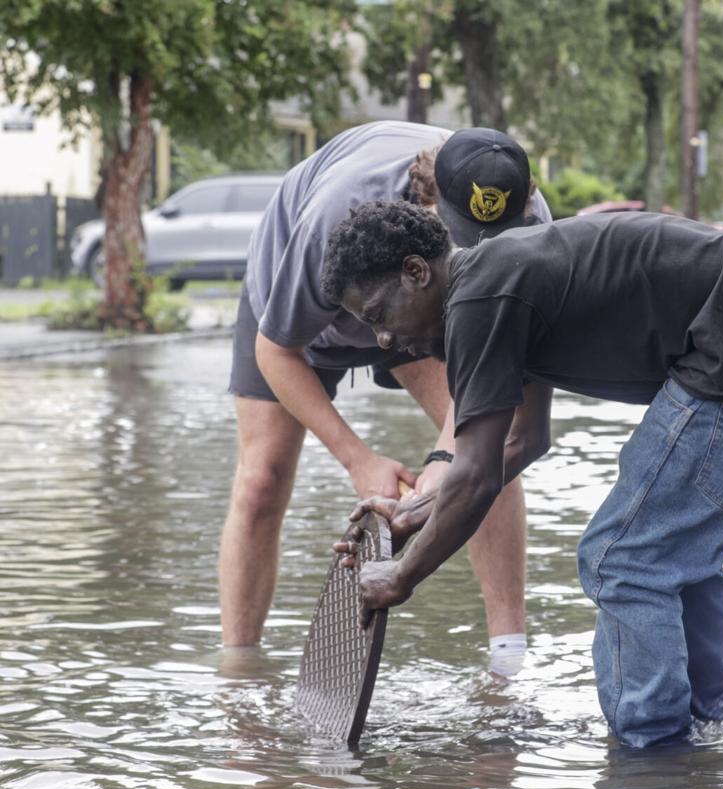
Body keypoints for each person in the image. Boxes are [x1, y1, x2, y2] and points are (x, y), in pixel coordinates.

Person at [322, 201, 723, 748]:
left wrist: (400, 578)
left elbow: (474, 479)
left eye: (379, 315)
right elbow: (524, 439)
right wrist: (416, 513)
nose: (381, 341)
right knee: (670, 556)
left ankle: (652, 756)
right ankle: (715, 732)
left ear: (416, 271)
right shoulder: (496, 281)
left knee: (623, 558)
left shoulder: (479, 297)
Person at [218, 122, 549, 676]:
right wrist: (361, 461)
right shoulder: (337, 212)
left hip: (431, 309)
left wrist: (447, 463)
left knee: (488, 454)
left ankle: (507, 665)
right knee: (261, 480)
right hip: (306, 317)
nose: (476, 254)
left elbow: (508, 401)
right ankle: (238, 670)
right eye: (461, 239)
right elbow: (277, 352)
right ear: (424, 205)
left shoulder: (529, 218)